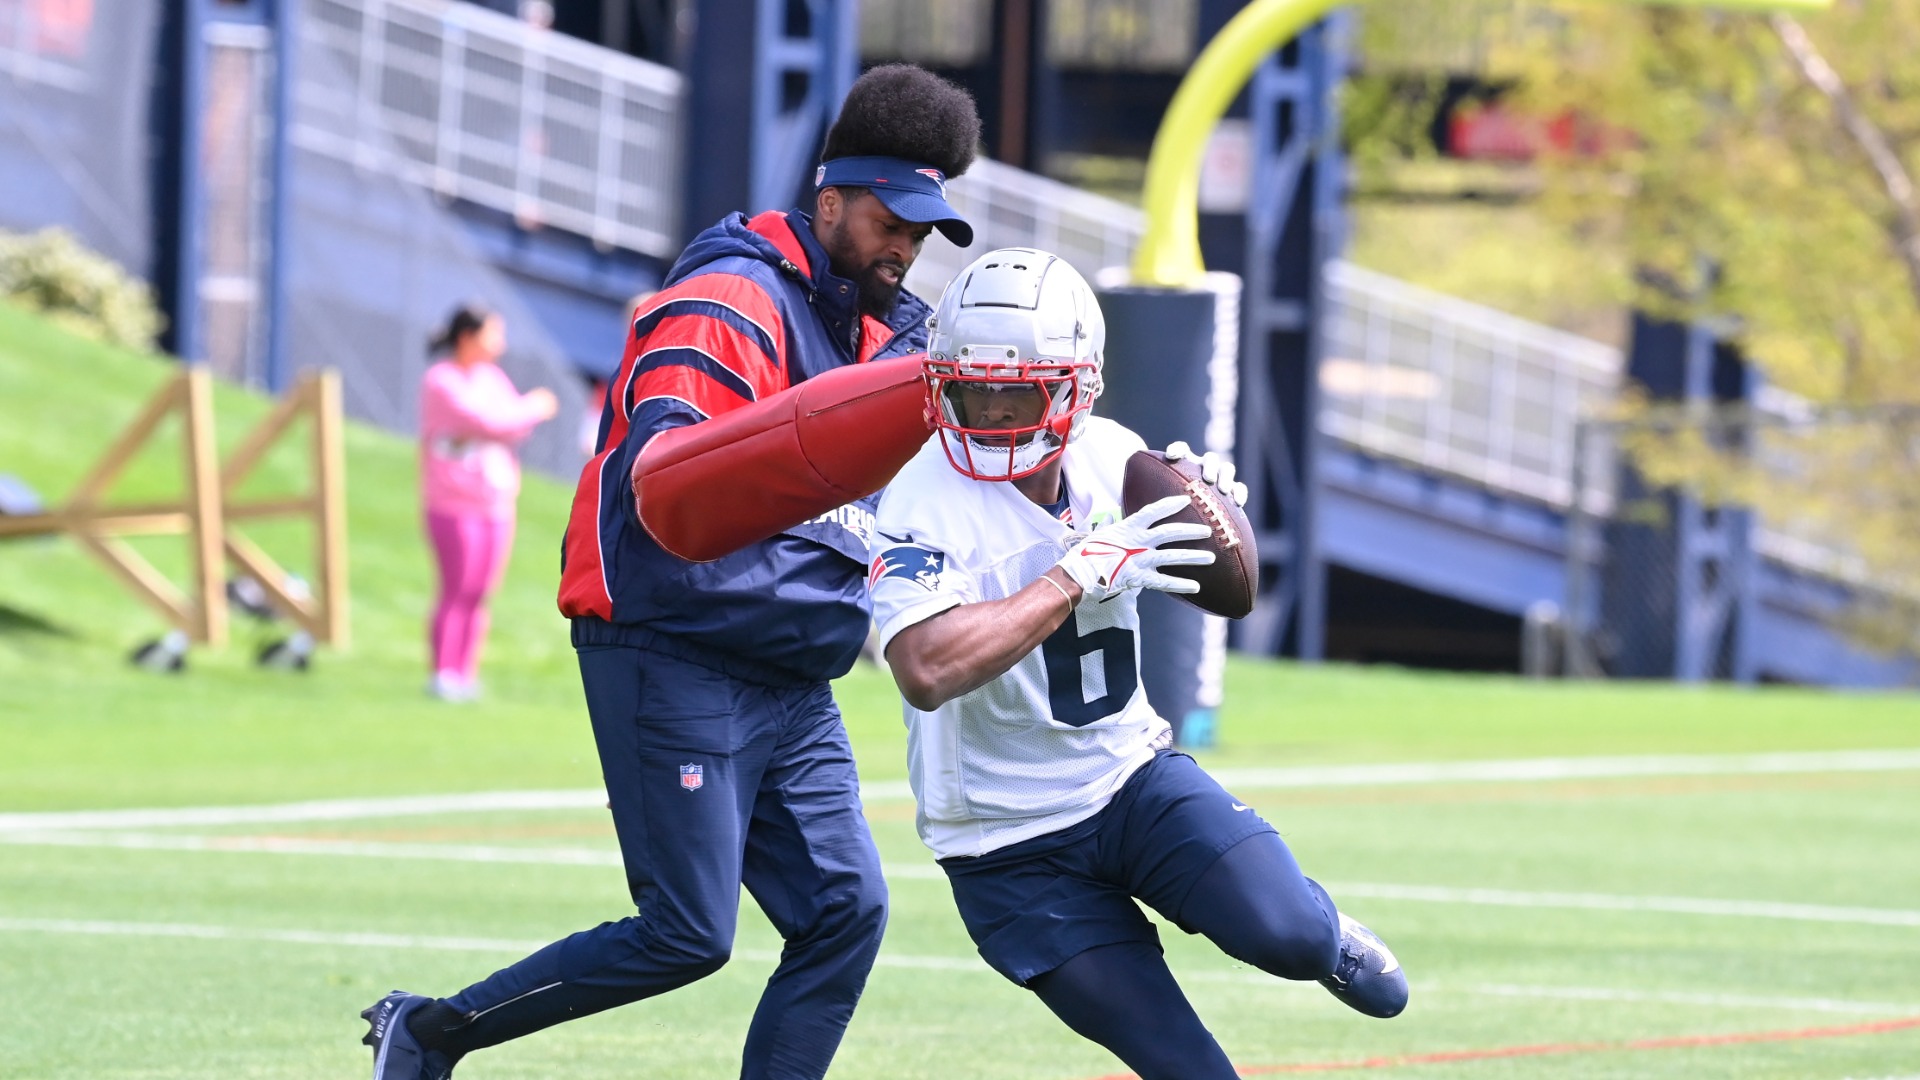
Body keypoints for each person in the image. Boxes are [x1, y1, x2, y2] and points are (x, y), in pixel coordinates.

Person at [361, 64, 982, 1080]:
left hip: (792, 670)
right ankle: (430, 1032)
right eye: (888, 222)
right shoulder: (732, 300)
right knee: (688, 931)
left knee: (847, 909)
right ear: (829, 202)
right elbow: (669, 483)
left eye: (920, 233)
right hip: (676, 648)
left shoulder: (891, 335)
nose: (904, 249)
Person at [867, 248, 1409, 1080]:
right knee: (1187, 1068)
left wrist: (1210, 508)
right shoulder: (921, 499)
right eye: (973, 389)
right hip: (1005, 846)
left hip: (1131, 782)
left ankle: (1326, 931)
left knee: (1290, 936)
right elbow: (925, 669)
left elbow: (1231, 592)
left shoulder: (1113, 457)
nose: (992, 411)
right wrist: (1074, 574)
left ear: (1076, 389)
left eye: (1019, 390)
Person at [417, 304, 558, 702]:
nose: (500, 344)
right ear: (467, 337)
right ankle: (443, 673)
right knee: (456, 587)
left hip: (495, 501)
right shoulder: (441, 380)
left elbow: (512, 429)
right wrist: (531, 407)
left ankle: (465, 673)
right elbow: (490, 422)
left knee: (480, 590)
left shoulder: (491, 378)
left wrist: (511, 418)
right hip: (452, 502)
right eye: (492, 334)